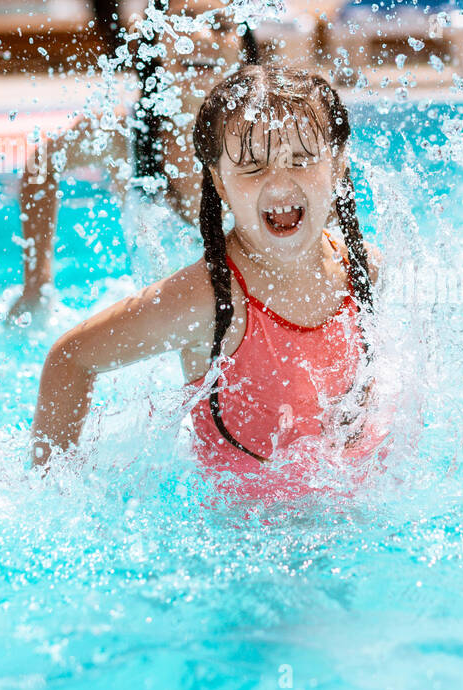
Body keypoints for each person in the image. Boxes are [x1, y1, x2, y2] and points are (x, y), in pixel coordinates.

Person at [29, 66, 385, 501]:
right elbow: (72, 359)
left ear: (338, 163)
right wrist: (51, 500)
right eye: (252, 167)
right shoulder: (211, 301)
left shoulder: (363, 269)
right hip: (247, 543)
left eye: (302, 160)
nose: (279, 183)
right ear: (218, 181)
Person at [8, 0, 260, 319]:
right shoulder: (125, 134)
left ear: (244, 46)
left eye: (219, 25)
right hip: (158, 338)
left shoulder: (272, 137)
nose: (201, 37)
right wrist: (37, 286)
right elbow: (41, 165)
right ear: (155, 40)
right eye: (184, 23)